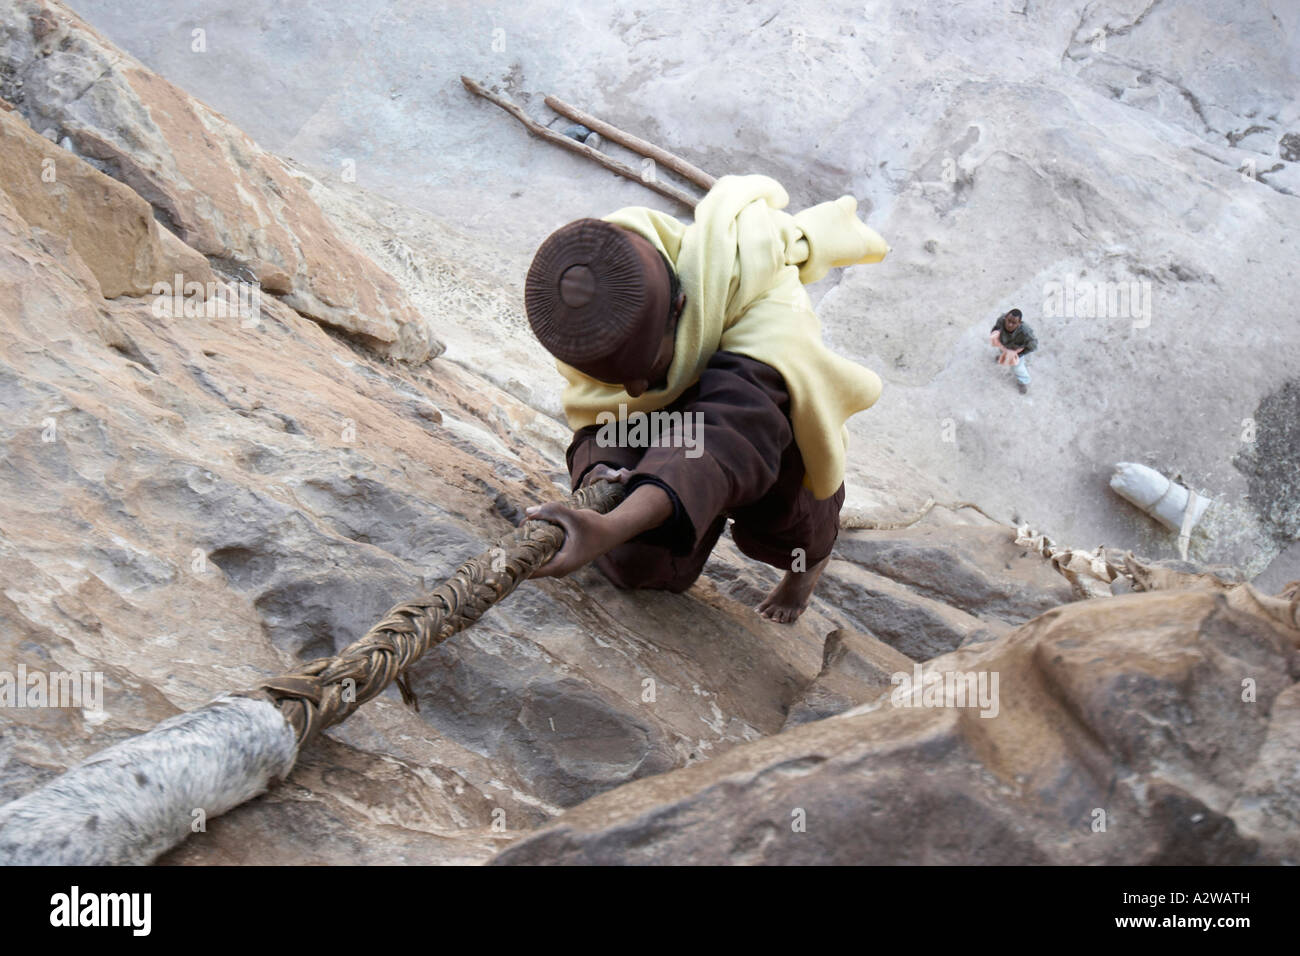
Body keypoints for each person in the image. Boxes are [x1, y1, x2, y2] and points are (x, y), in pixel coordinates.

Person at [522, 174, 889, 623]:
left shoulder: (771, 319)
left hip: (763, 433)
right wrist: (602, 480)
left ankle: (806, 571)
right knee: (639, 565)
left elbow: (725, 436)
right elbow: (603, 414)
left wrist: (615, 523)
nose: (635, 389)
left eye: (643, 370)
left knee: (786, 525)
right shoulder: (607, 314)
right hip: (675, 426)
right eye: (621, 378)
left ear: (678, 309)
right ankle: (659, 502)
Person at [989, 308, 1037, 393]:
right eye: (1008, 320)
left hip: (1016, 351)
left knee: (1018, 368)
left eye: (1014, 323)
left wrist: (1019, 355)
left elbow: (1033, 345)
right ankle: (1002, 357)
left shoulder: (1025, 332)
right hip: (1004, 344)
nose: (1010, 324)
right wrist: (994, 334)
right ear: (1005, 318)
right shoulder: (1001, 320)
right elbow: (996, 327)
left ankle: (1023, 381)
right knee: (1002, 352)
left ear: (1019, 323)